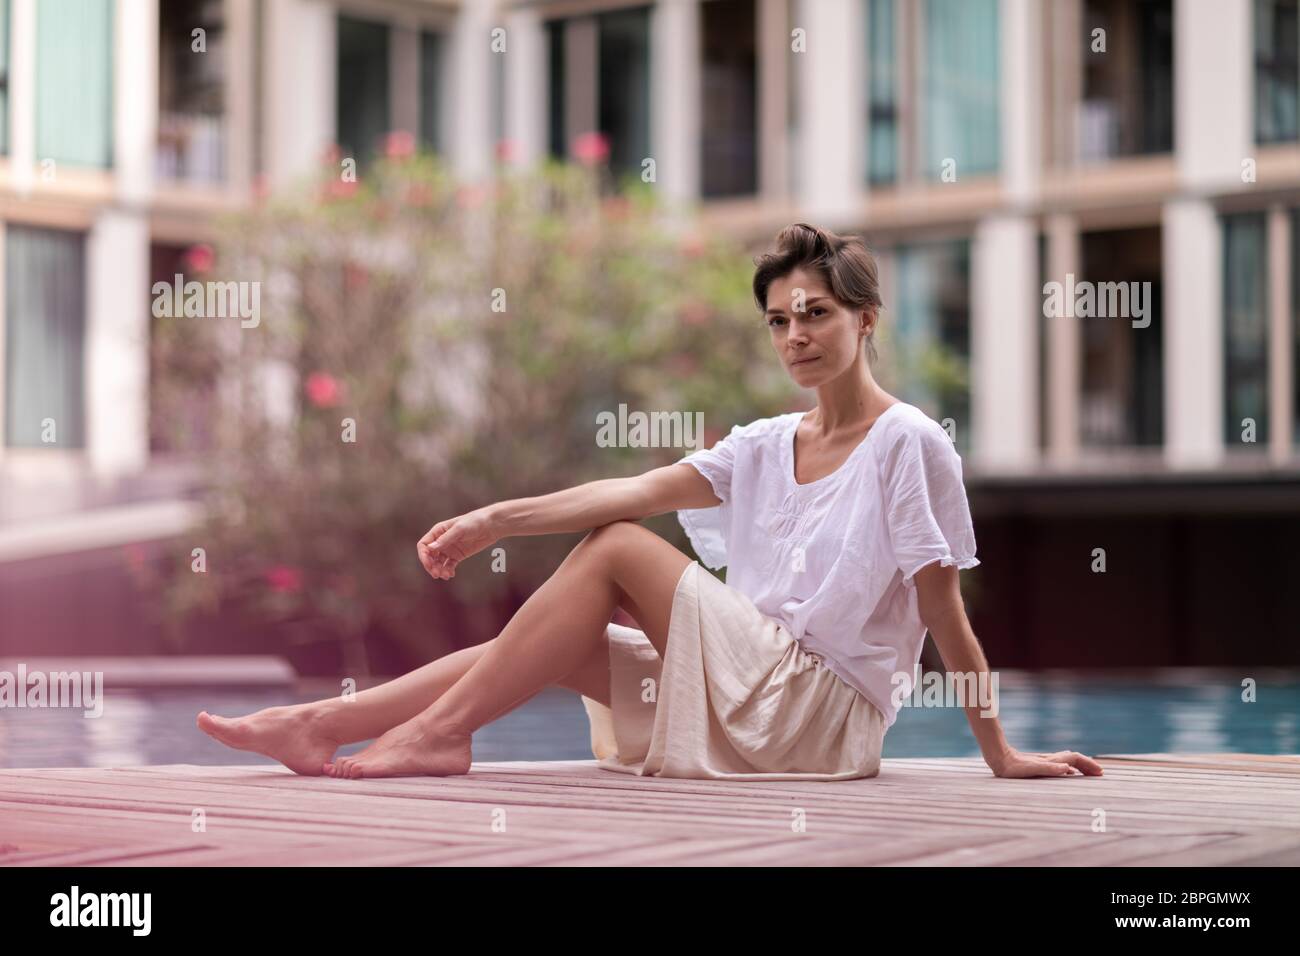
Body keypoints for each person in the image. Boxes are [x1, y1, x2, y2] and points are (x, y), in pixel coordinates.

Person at [198, 222, 1103, 782]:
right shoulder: (762, 445)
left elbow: (945, 610)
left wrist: (1000, 753)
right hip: (748, 687)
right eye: (781, 320)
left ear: (866, 319)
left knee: (619, 548)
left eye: (818, 314)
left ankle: (436, 734)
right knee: (549, 637)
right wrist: (493, 519)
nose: (797, 335)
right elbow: (627, 487)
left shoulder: (909, 442)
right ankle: (321, 724)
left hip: (819, 718)